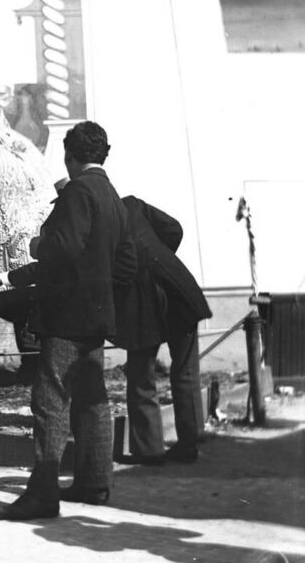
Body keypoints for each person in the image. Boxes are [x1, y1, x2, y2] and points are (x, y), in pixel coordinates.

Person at [0, 121, 137, 521]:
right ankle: (94, 484)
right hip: (96, 318)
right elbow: (127, 265)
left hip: (66, 315)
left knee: (50, 400)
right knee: (91, 399)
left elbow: (62, 248)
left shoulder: (78, 192)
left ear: (69, 156)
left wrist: (38, 245)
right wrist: (99, 293)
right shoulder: (113, 197)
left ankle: (42, 495)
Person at [113, 196, 212, 464]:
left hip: (142, 302)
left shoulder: (96, 221)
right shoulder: (131, 205)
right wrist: (159, 256)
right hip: (176, 289)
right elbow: (173, 228)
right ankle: (190, 443)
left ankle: (149, 450)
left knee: (140, 375)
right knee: (186, 371)